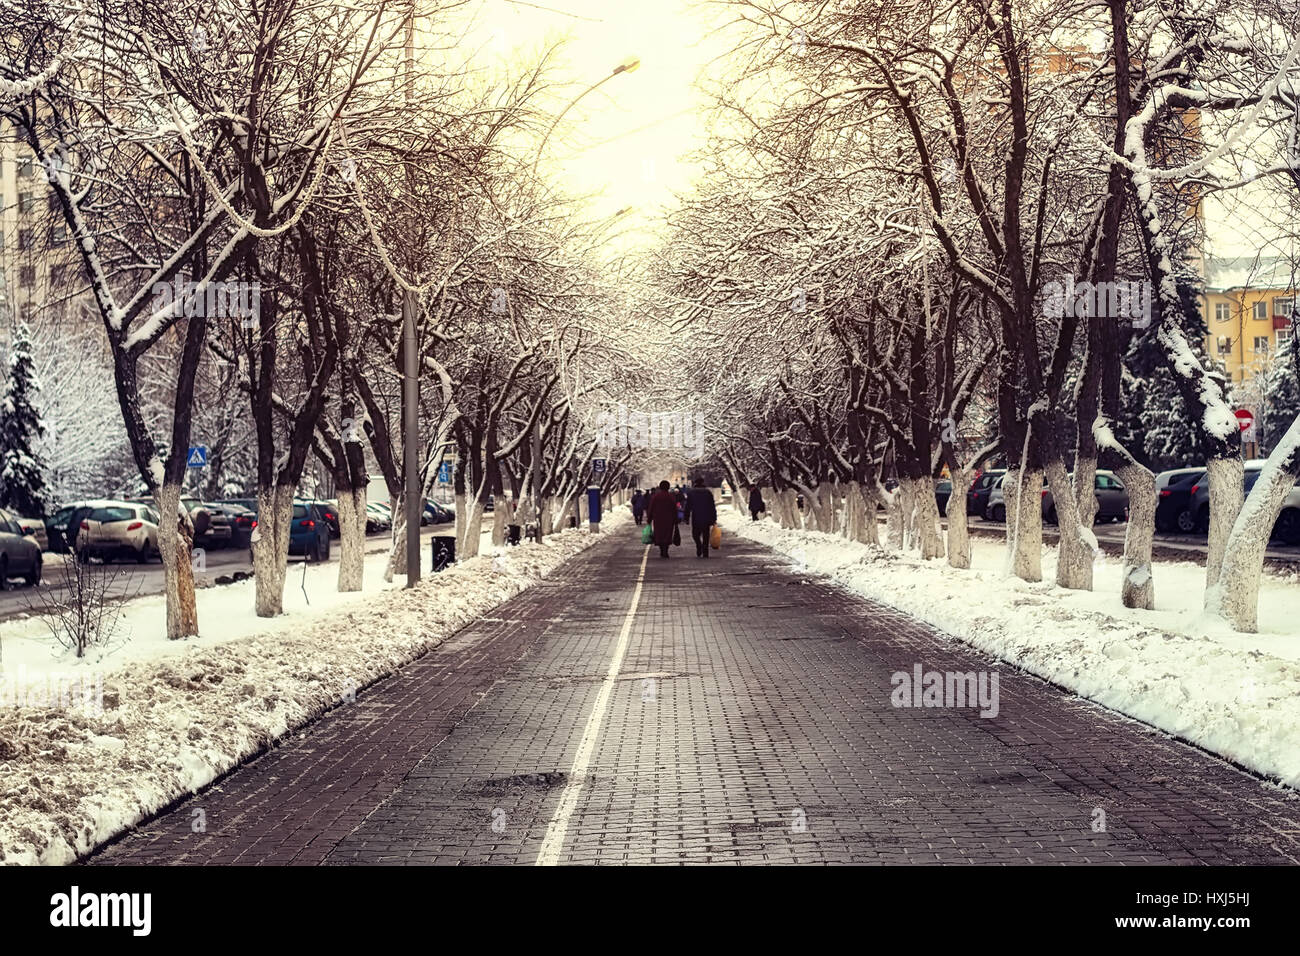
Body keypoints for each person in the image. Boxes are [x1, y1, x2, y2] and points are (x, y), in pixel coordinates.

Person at [686, 478, 718, 558]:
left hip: (696, 516)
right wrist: (714, 518)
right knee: (705, 534)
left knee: (695, 534)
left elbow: (688, 506)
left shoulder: (691, 493)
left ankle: (699, 545)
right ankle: (705, 551)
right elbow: (712, 506)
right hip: (706, 516)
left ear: (695, 483)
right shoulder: (708, 492)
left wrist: (686, 517)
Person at [646, 480, 678, 558]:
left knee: (659, 534)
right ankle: (666, 550)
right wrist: (676, 519)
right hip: (669, 519)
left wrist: (649, 518)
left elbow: (651, 508)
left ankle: (661, 550)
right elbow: (674, 508)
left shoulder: (656, 497)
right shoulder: (671, 496)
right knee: (667, 534)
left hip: (658, 519)